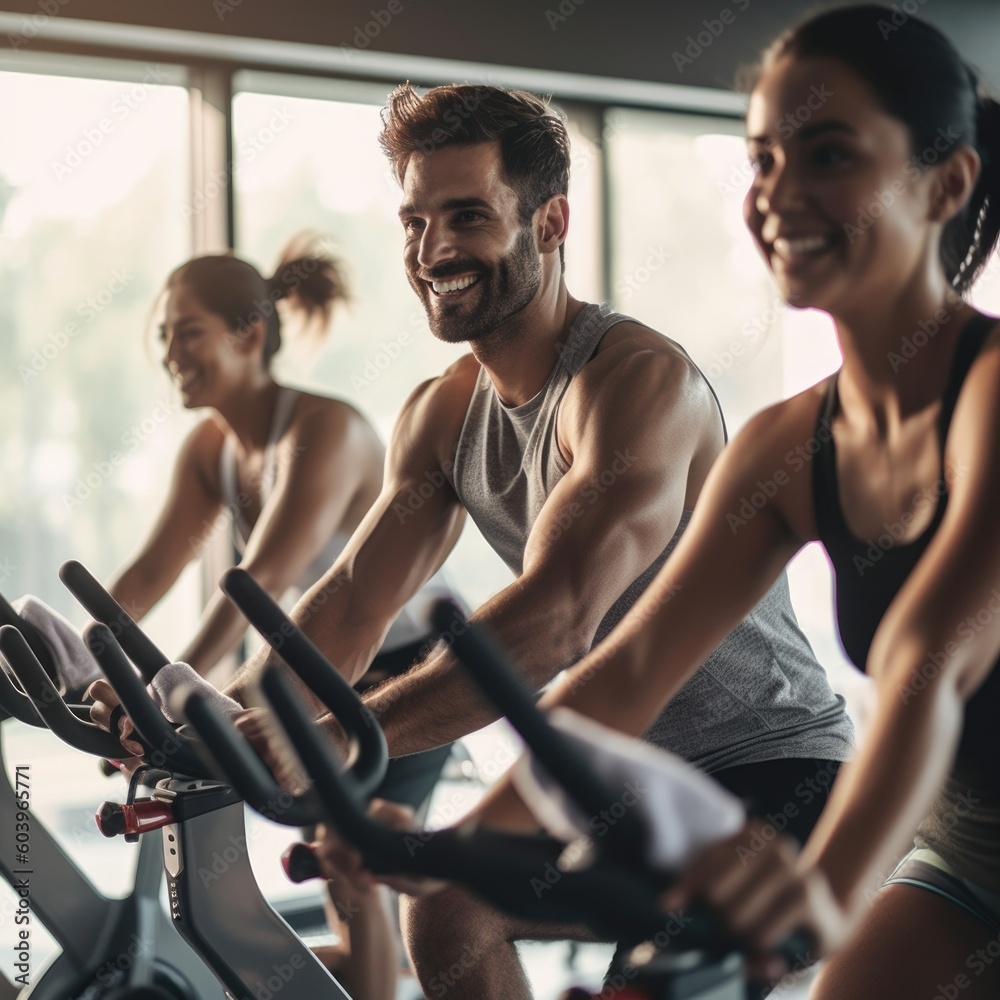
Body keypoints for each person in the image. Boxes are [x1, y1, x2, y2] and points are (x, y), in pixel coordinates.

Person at [173, 84, 857, 999]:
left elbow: (558, 616)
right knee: (446, 910)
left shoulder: (635, 383)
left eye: (468, 216)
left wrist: (342, 736)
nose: (433, 251)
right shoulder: (442, 411)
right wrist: (226, 719)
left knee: (647, 976)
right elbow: (355, 602)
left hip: (775, 771)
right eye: (415, 222)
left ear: (550, 222)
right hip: (622, 779)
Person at [394, 7, 1000, 998]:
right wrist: (464, 845)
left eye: (829, 154)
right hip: (968, 849)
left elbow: (927, 663)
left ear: (945, 183)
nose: (779, 195)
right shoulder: (787, 445)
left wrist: (825, 884)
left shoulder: (991, 390)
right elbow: (626, 672)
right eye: (763, 159)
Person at [98, 237, 455, 1000]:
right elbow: (150, 574)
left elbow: (259, 583)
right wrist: (86, 661)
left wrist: (163, 694)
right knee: (336, 879)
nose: (170, 353)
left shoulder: (323, 431)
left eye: (187, 332)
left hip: (407, 664)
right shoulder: (214, 448)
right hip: (326, 664)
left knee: (348, 860)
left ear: (248, 334)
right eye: (162, 334)